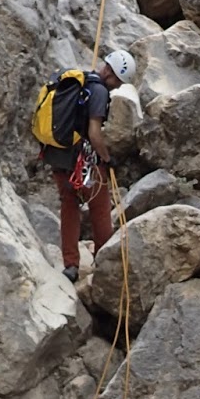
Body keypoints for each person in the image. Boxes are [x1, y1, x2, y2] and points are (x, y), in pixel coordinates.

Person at [46, 48, 136, 281]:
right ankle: (103, 263)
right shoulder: (98, 91)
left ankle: (71, 265)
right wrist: (106, 158)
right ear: (111, 74)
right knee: (100, 206)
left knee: (69, 204)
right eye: (117, 81)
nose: (116, 87)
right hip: (83, 161)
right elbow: (94, 133)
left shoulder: (79, 82)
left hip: (59, 156)